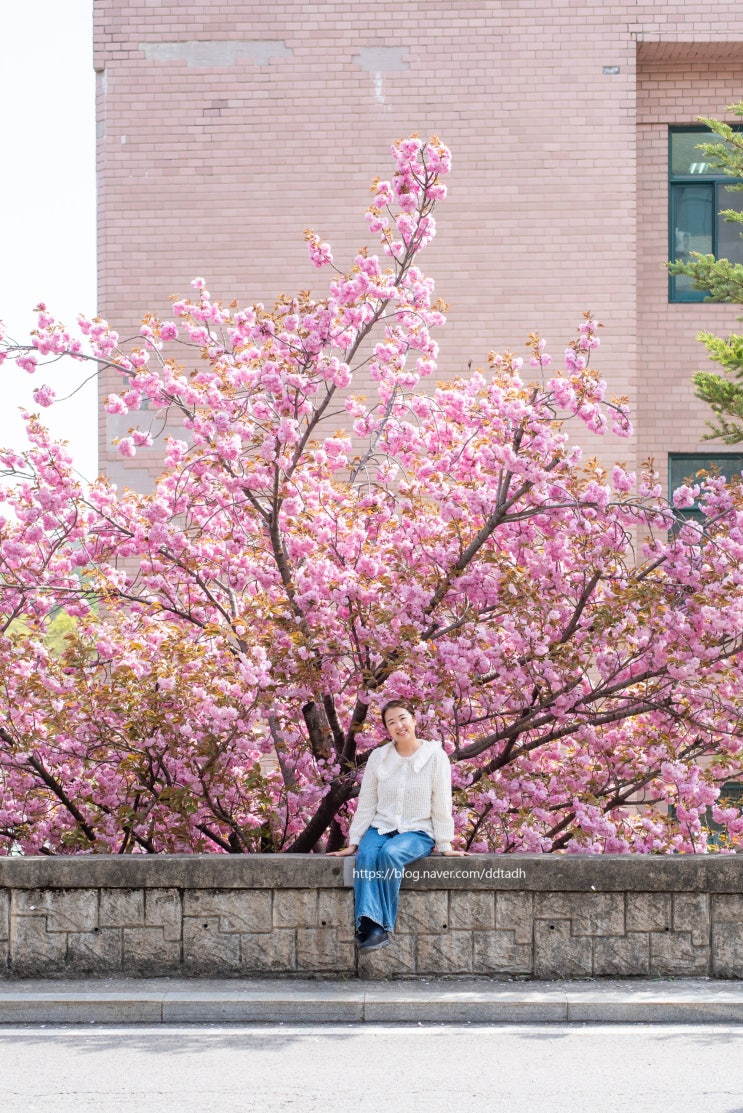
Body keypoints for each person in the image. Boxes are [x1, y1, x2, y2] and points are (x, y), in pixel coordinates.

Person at [327, 699, 467, 952]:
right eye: (391, 722)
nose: (399, 725)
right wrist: (354, 842)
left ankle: (382, 926)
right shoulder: (379, 757)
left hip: (418, 831)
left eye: (403, 718)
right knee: (368, 855)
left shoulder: (435, 756)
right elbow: (367, 801)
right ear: (387, 730)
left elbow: (441, 801)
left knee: (390, 854)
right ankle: (371, 927)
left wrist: (445, 843)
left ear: (414, 719)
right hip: (380, 826)